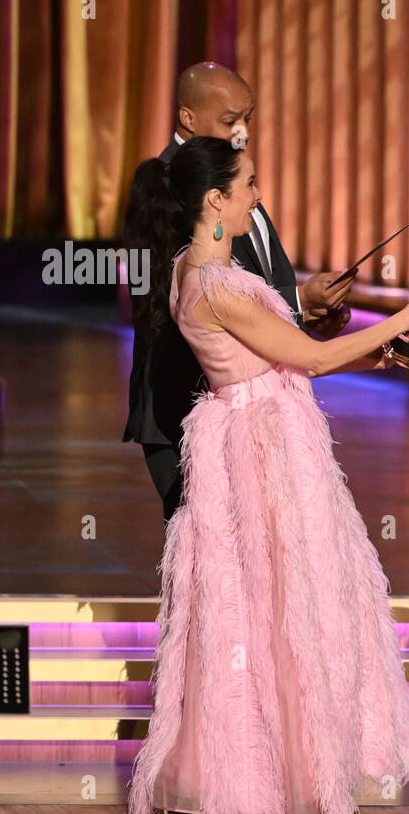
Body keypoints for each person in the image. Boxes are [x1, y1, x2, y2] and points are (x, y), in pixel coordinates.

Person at [122, 135, 409, 814]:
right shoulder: (211, 284)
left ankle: (279, 766)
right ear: (215, 201)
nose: (258, 198)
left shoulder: (194, 268)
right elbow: (310, 358)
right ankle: (270, 775)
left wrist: (385, 351)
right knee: (273, 609)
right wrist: (406, 321)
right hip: (260, 457)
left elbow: (290, 359)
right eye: (250, 186)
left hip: (271, 440)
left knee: (276, 605)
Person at [122, 62, 353, 520]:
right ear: (188, 117)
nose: (243, 131)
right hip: (187, 409)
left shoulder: (236, 179)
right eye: (230, 121)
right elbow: (188, 303)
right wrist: (298, 305)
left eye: (248, 117)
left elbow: (259, 280)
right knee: (210, 561)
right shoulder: (172, 186)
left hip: (249, 420)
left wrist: (305, 310)